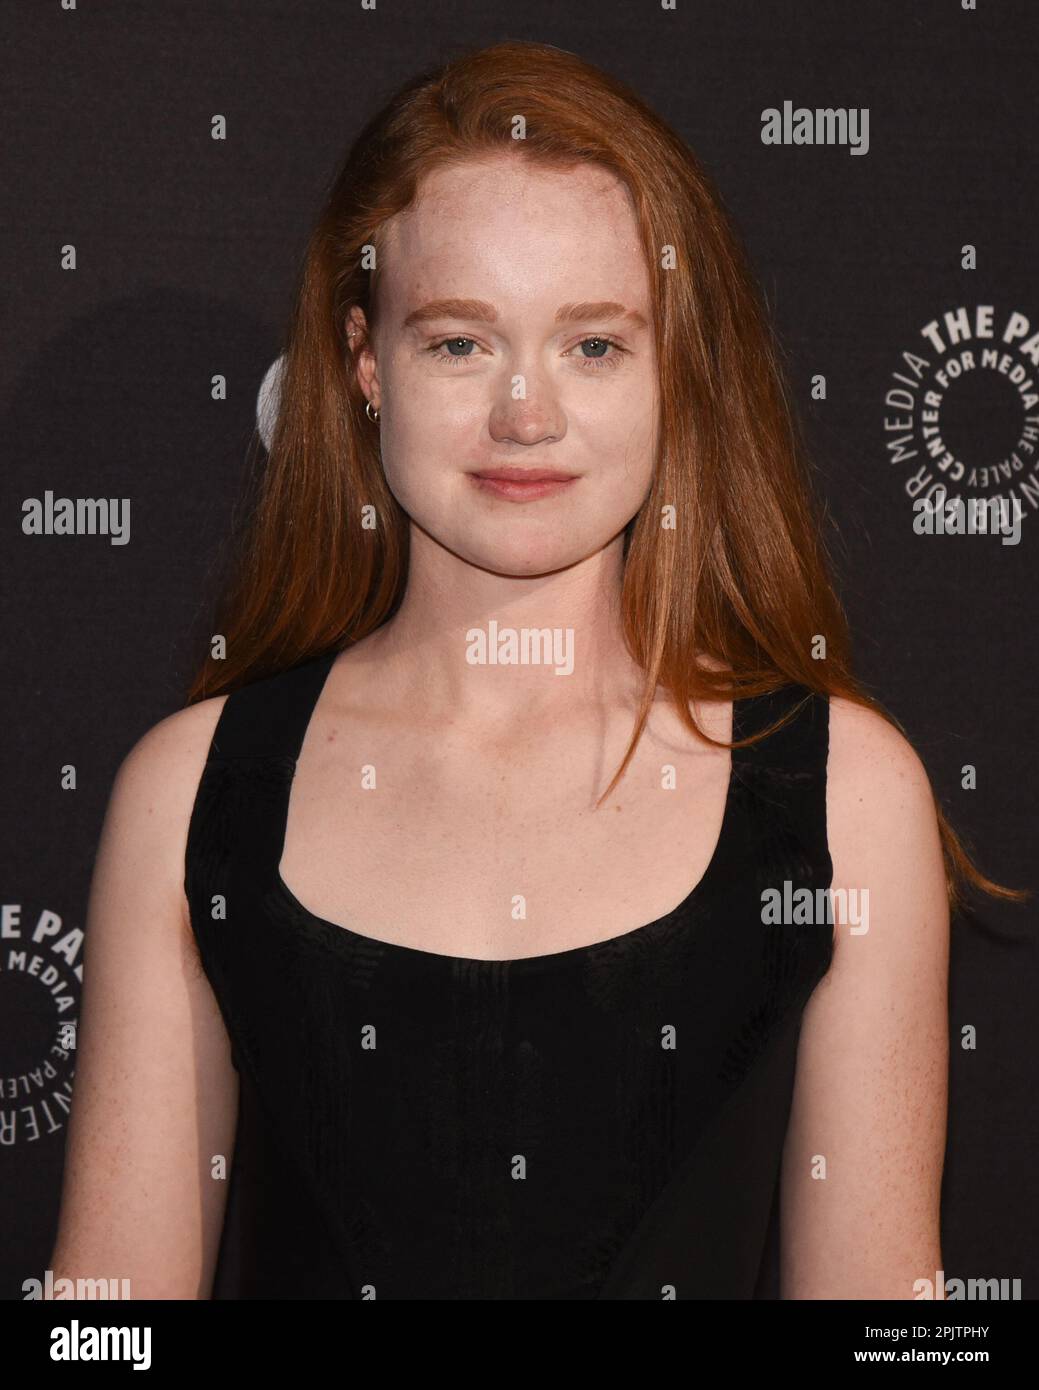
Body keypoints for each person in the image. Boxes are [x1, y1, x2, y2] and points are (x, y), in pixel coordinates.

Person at [45, 40, 1019, 1301]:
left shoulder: (841, 796)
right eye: (458, 342)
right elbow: (107, 1325)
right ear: (362, 359)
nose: (526, 413)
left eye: (595, 346)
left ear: (678, 367)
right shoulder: (191, 794)